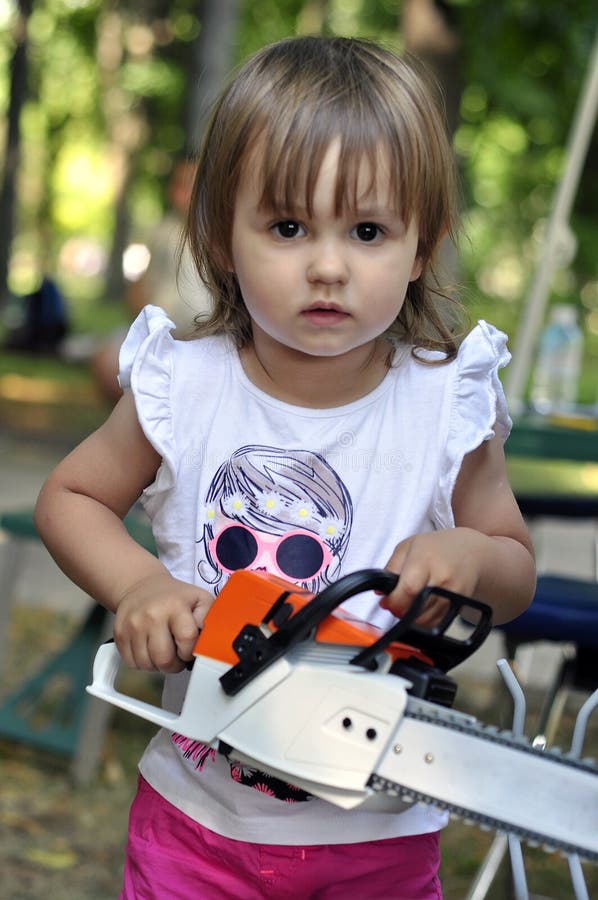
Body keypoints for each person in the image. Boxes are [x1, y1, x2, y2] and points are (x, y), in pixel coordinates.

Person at [35, 35, 536, 900]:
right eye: (289, 226)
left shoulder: (444, 405)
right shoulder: (185, 386)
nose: (329, 265)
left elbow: (514, 565)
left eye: (369, 230)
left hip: (379, 833)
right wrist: (138, 587)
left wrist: (474, 562)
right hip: (195, 823)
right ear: (222, 234)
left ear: (423, 247)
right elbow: (71, 495)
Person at [91, 157, 212, 403]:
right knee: (107, 362)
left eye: (188, 186)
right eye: (177, 185)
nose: (180, 194)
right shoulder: (163, 232)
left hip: (202, 337)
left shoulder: (217, 235)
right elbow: (139, 286)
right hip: (159, 332)